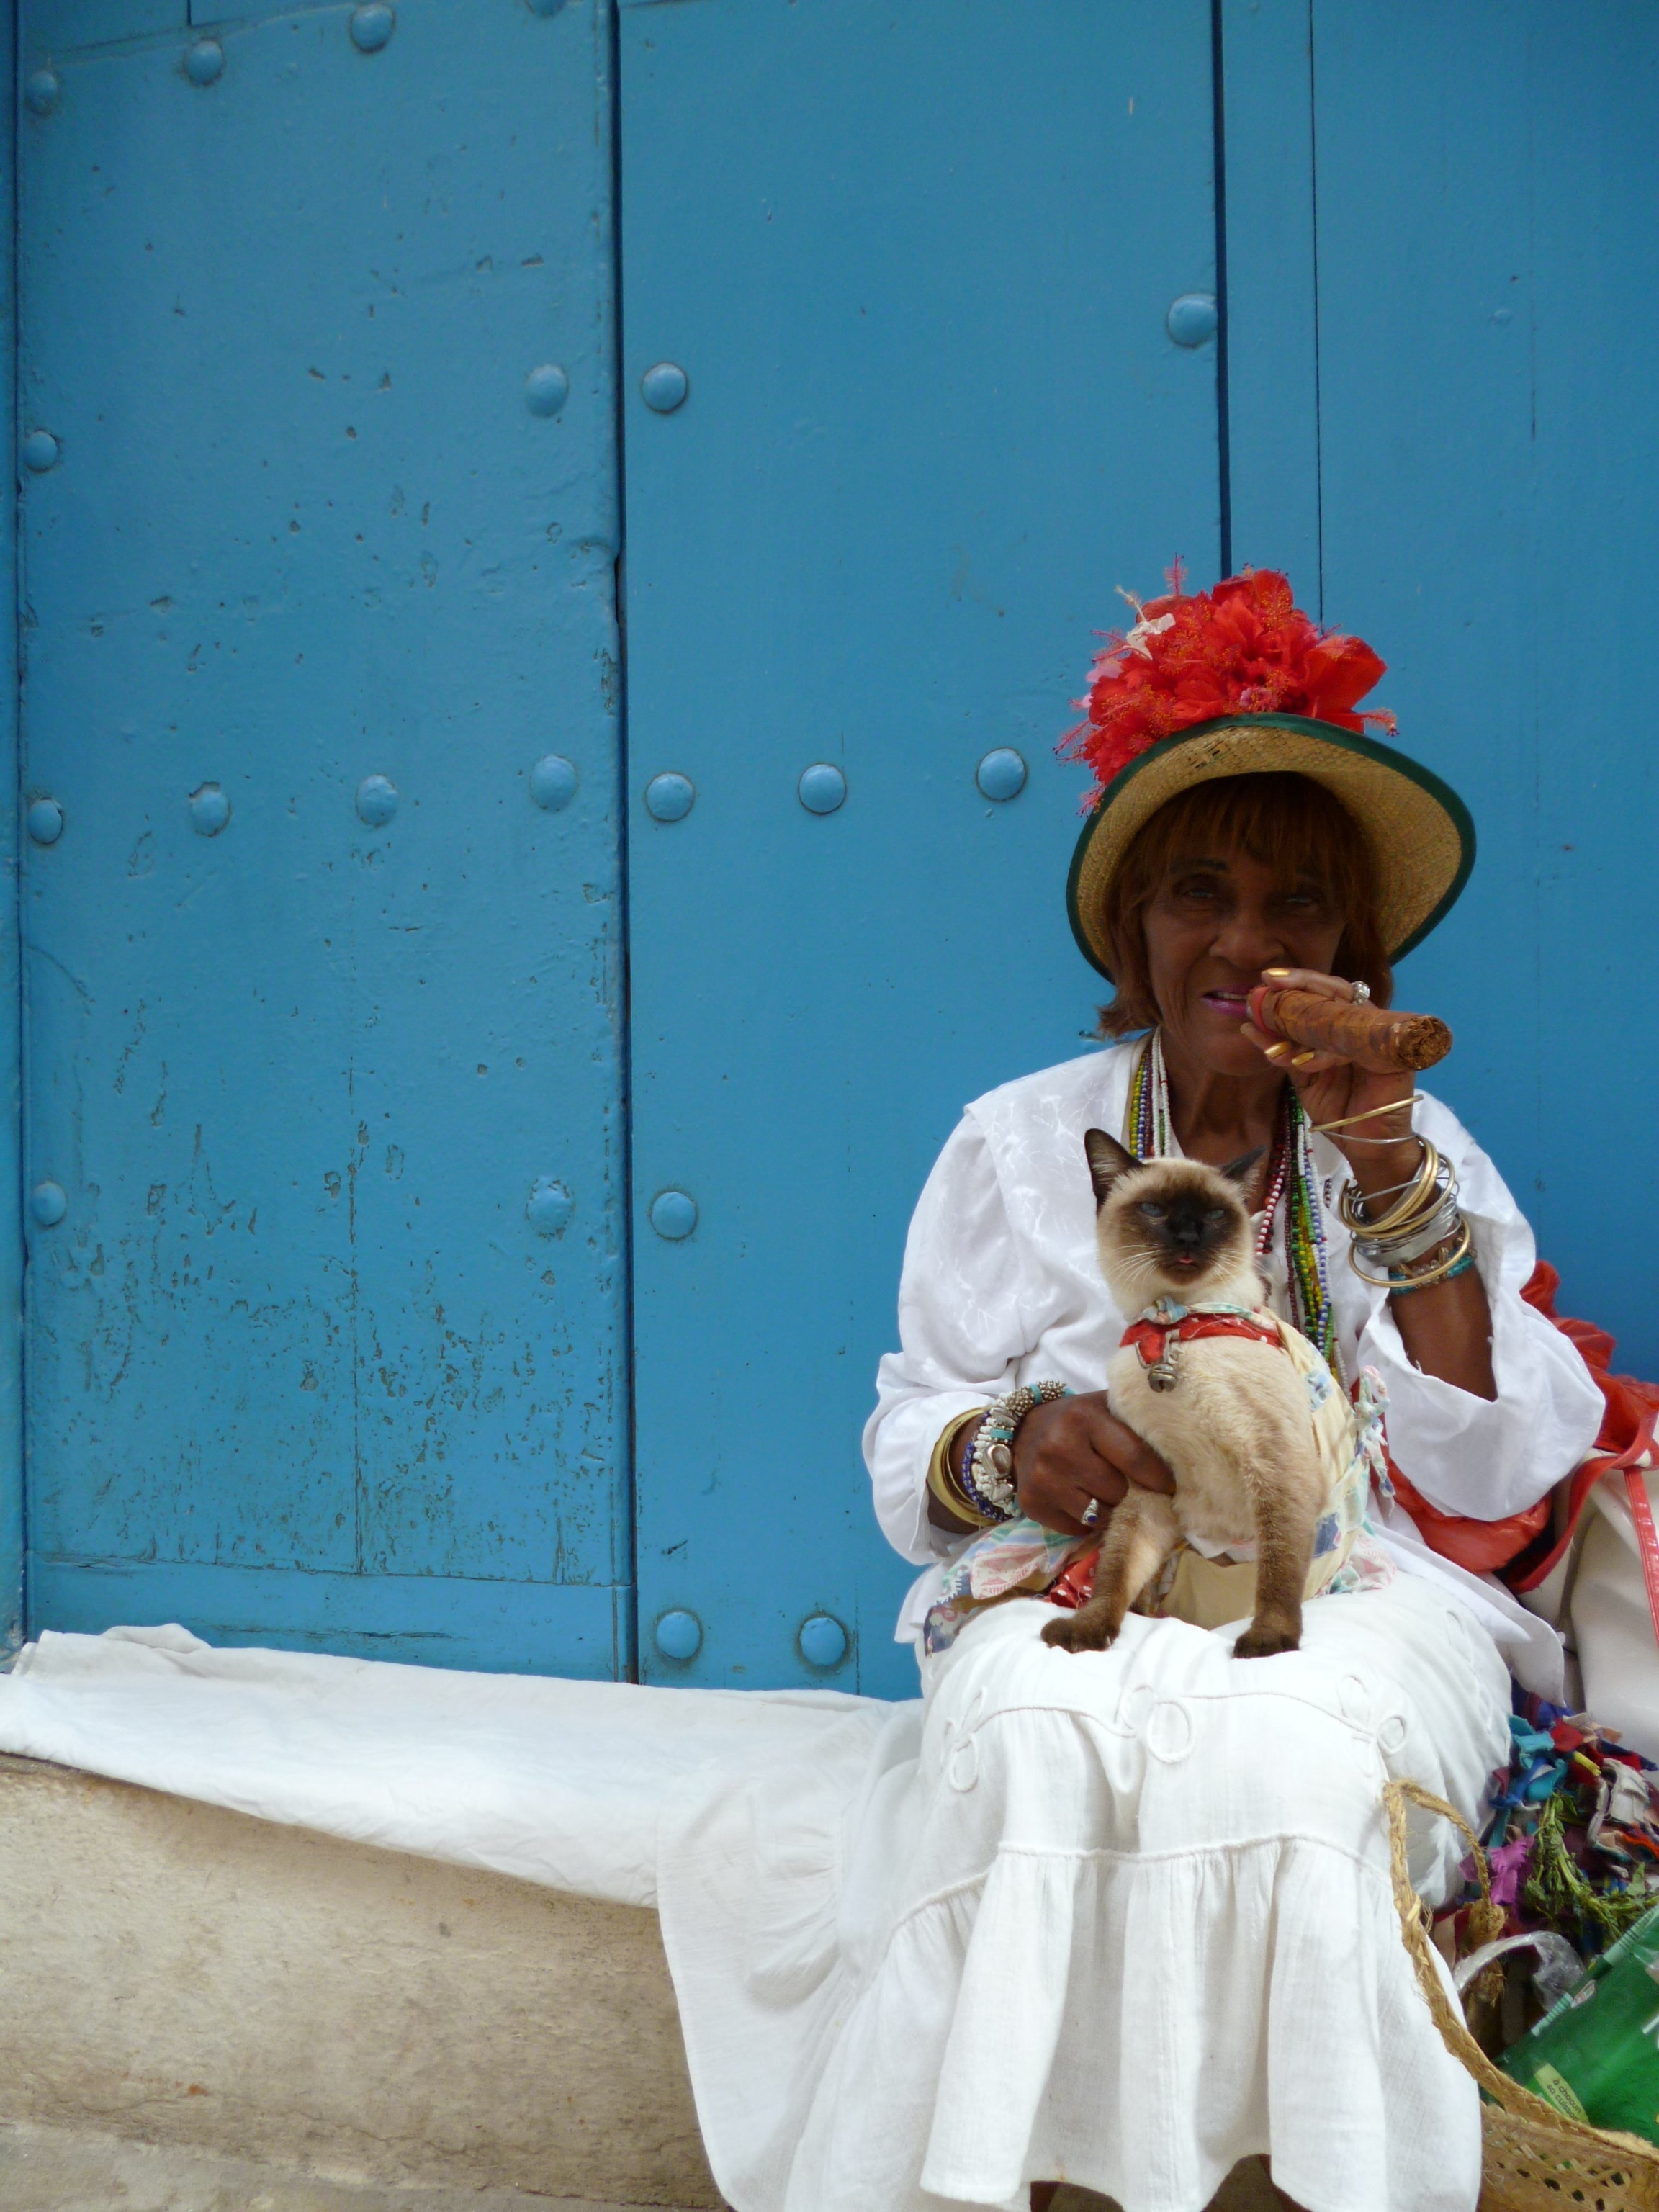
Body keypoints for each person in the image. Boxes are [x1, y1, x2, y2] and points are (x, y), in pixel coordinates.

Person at [656, 571, 1602, 2212]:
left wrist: (1384, 1158)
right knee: (1029, 1732)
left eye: (1299, 908)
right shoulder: (1019, 1142)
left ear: (1352, 949)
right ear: (1133, 933)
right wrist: (1021, 1447)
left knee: (1293, 1755)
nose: (1246, 945)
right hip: (1091, 1581)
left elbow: (1504, 1453)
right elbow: (911, 1436)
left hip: (1355, 1584)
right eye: (1199, 897)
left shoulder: (1413, 1141)